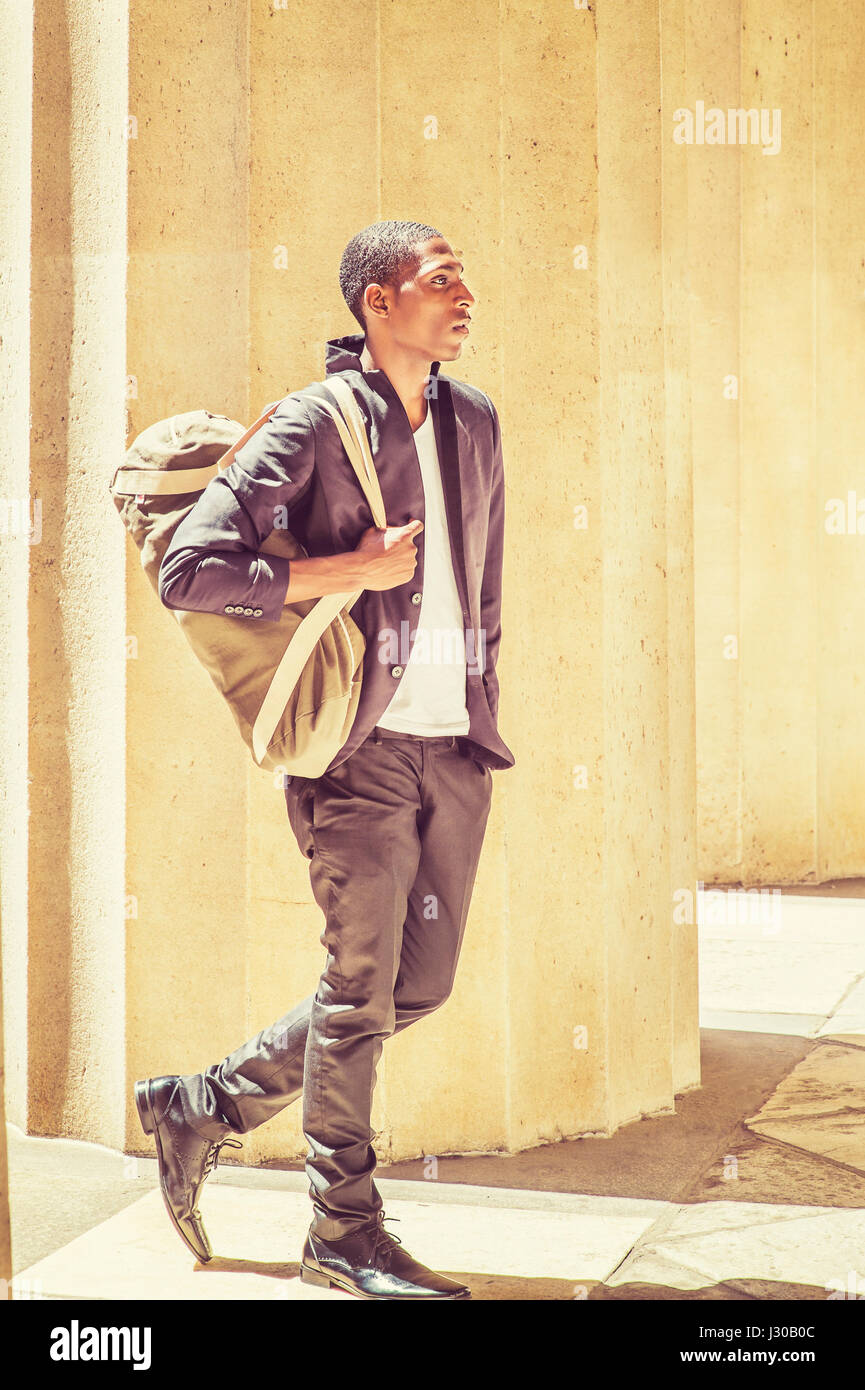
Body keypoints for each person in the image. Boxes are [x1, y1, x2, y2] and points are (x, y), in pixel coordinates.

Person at [135, 219, 514, 1300]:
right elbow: (191, 568)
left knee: (414, 984)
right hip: (358, 745)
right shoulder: (313, 421)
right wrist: (350, 566)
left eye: (463, 275)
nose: (463, 293)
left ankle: (203, 1103)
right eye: (441, 279)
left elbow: (484, 582)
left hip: (454, 742)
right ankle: (342, 1229)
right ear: (376, 303)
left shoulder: (475, 419)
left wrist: (483, 706)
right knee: (358, 986)